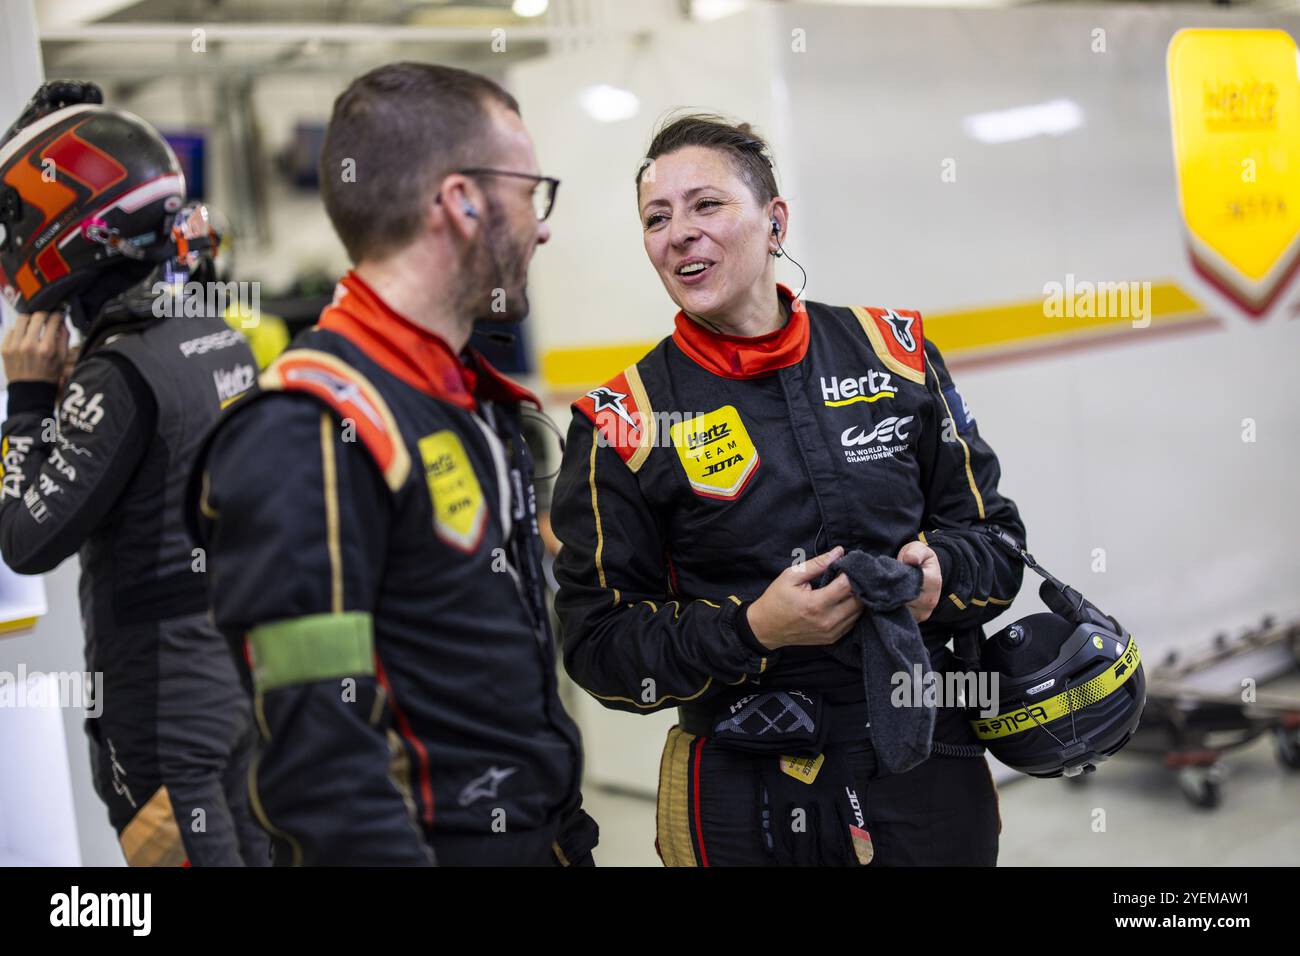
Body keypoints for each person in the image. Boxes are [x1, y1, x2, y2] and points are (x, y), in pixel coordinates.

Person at [551, 114, 1026, 866]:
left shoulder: (894, 355)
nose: (679, 234)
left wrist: (940, 581)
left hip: (927, 760)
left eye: (706, 205)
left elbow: (998, 543)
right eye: (656, 217)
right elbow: (598, 648)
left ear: (774, 221)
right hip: (748, 793)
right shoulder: (624, 421)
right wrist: (754, 630)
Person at [189, 62, 596, 866]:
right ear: (462, 202)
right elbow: (323, 774)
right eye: (530, 192)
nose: (541, 226)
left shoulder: (464, 396)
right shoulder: (309, 425)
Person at [0, 82, 267, 866]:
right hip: (238, 692)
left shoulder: (115, 373)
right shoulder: (217, 333)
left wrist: (26, 400)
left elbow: (23, 538)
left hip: (161, 726)